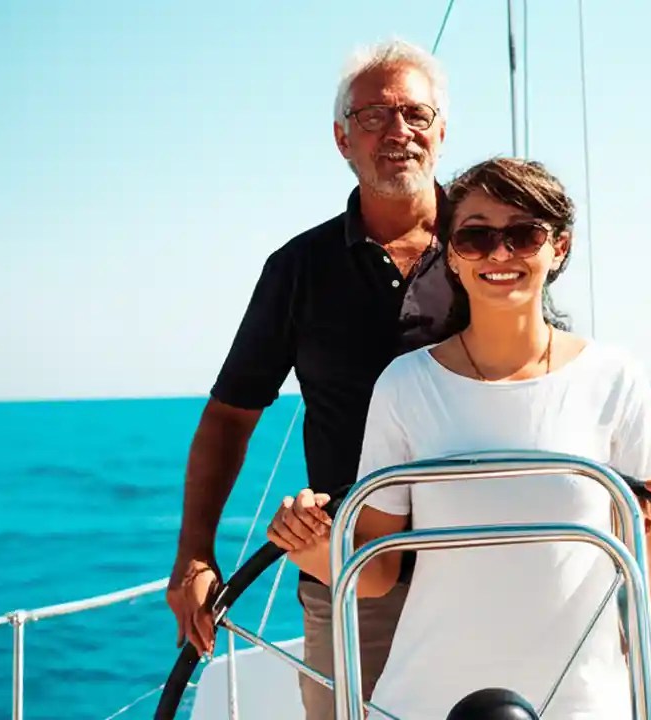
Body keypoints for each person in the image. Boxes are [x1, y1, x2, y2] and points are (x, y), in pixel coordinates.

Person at [267, 157, 651, 719]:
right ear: (451, 255)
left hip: (580, 703)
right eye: (476, 237)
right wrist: (315, 551)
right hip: (424, 702)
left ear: (559, 248)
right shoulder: (407, 385)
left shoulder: (614, 378)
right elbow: (376, 572)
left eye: (523, 235)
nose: (500, 254)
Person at [165, 38, 458, 718]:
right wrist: (194, 557)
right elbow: (229, 414)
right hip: (350, 574)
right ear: (341, 138)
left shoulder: (488, 249)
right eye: (374, 114)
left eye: (415, 113)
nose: (398, 131)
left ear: (441, 131)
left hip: (485, 556)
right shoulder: (298, 268)